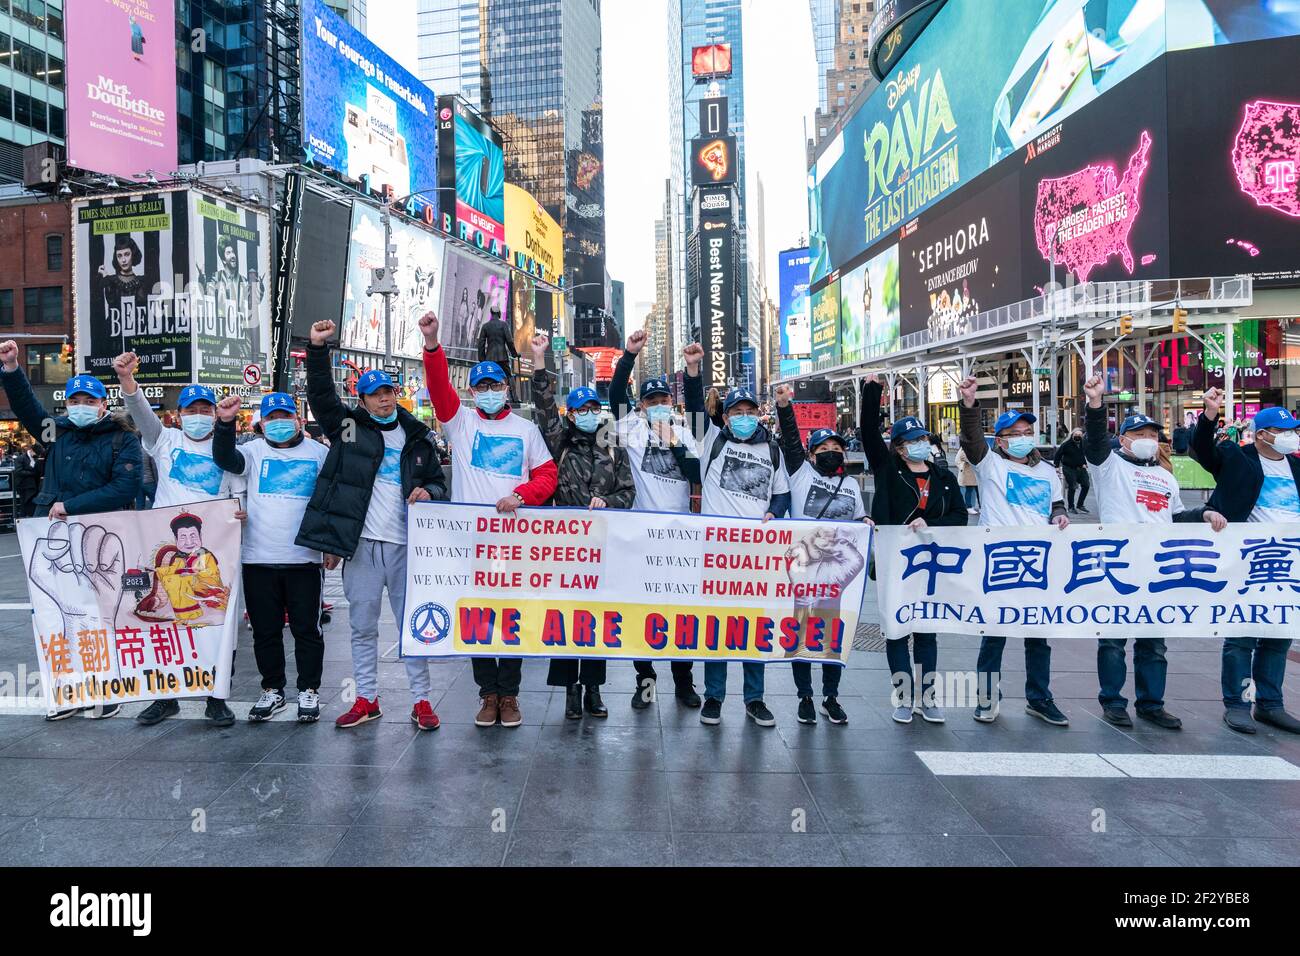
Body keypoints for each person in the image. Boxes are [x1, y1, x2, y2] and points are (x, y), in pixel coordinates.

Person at [296, 319, 449, 732]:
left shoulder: (418, 436)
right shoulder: (349, 428)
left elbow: (438, 482)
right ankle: (366, 698)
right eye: (374, 394)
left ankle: (421, 701)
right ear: (361, 400)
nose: (383, 399)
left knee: (413, 626)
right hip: (361, 545)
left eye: (388, 392)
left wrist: (431, 494)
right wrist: (316, 349)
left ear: (395, 395)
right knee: (362, 627)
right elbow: (322, 397)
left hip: (407, 548)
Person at [420, 311, 557, 729]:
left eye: (495, 385)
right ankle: (488, 694)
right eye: (481, 387)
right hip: (470, 544)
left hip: (514, 545)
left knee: (512, 617)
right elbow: (440, 390)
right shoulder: (459, 424)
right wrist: (431, 343)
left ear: (506, 388)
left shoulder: (526, 429)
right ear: (473, 392)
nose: (489, 392)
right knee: (479, 617)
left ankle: (511, 695)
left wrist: (520, 495)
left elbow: (547, 476)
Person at [0, 342, 142, 720]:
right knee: (56, 614)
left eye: (88, 399)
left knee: (100, 614)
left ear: (102, 405)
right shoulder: (55, 432)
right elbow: (27, 407)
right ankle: (69, 690)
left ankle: (106, 688)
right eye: (74, 399)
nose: (80, 405)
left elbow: (125, 488)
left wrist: (72, 506)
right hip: (57, 536)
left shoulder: (121, 436)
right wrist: (13, 368)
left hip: (101, 535)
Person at [1083, 374, 1203, 730]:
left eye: (1153, 435)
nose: (1149, 441)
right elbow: (1093, 442)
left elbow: (1177, 515)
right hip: (1118, 567)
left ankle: (1151, 703)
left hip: (1157, 568)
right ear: (1123, 440)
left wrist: (1205, 514)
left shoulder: (1166, 477)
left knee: (1153, 644)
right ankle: (1113, 701)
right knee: (1114, 641)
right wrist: (1094, 405)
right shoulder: (1108, 467)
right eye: (1140, 435)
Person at [684, 344, 791, 728]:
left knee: (754, 627)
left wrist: (774, 512)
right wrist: (693, 369)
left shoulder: (772, 449)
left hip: (757, 556)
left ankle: (755, 698)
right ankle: (714, 697)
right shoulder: (710, 440)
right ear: (725, 416)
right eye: (736, 412)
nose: (743, 418)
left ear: (757, 414)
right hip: (717, 552)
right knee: (717, 627)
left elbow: (781, 493)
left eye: (749, 412)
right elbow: (696, 408)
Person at [530, 334, 635, 719]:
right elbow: (542, 407)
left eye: (594, 407)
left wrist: (606, 502)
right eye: (582, 409)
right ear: (571, 414)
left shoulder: (614, 447)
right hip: (565, 550)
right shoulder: (559, 441)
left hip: (602, 548)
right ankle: (569, 692)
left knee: (595, 619)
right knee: (565, 618)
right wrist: (539, 361)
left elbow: (628, 493)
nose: (589, 413)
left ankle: (593, 689)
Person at [959, 377, 1071, 727]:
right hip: (1000, 561)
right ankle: (987, 698)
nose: (1022, 438)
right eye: (1014, 434)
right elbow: (972, 440)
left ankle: (1039, 698)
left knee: (1038, 637)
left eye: (1027, 432)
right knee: (994, 634)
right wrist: (969, 405)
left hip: (1038, 564)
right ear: (1001, 442)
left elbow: (1055, 505)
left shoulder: (1048, 471)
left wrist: (1059, 514)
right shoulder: (990, 464)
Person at [213, 392, 331, 724]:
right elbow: (225, 459)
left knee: (307, 629)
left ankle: (309, 690)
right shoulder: (251, 452)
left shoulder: (319, 453)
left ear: (297, 419)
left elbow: (331, 499)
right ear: (262, 423)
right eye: (272, 417)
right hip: (258, 558)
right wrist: (224, 423)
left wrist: (332, 545)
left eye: (285, 416)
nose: (279, 422)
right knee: (265, 630)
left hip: (304, 559)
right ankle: (273, 689)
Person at [1191, 390, 1300, 735]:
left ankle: (1271, 704)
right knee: (1242, 635)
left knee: (1279, 634)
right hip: (1248, 559)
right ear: (1263, 434)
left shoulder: (1296, 464)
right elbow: (1202, 450)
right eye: (1284, 432)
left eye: (1293, 430)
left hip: (1289, 561)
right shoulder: (1239, 457)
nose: (1290, 437)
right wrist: (1210, 414)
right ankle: (1237, 703)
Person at [861, 374, 968, 723]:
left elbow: (959, 516)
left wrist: (931, 526)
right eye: (911, 440)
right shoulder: (889, 471)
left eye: (923, 438)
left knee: (926, 632)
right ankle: (904, 697)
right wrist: (873, 391)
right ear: (899, 447)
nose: (919, 444)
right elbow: (868, 433)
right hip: (896, 564)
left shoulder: (944, 477)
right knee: (896, 630)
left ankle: (928, 696)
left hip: (931, 568)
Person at [608, 329, 703, 709]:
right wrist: (629, 355)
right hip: (641, 538)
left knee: (680, 613)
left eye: (664, 398)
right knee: (640, 612)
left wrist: (675, 442)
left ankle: (684, 681)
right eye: (652, 400)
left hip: (680, 538)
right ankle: (644, 680)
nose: (659, 403)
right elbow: (615, 397)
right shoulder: (631, 429)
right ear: (643, 405)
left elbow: (695, 471)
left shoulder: (684, 429)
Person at [773, 383, 870, 726]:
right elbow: (789, 439)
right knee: (800, 635)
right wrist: (785, 406)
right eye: (824, 448)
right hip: (804, 572)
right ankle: (805, 697)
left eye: (837, 447)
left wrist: (865, 522)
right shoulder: (800, 475)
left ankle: (831, 695)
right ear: (812, 455)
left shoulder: (852, 486)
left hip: (838, 578)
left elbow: (858, 521)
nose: (832, 452)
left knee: (833, 636)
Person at [114, 353, 246, 511]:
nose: (198, 415)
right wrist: (126, 377)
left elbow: (237, 493)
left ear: (214, 415)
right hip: (166, 530)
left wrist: (240, 513)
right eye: (191, 411)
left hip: (212, 531)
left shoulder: (227, 452)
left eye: (205, 411)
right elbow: (140, 410)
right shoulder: (164, 438)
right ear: (179, 415)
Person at [1055, 426, 1090, 514]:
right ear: (1072, 435)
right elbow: (1058, 455)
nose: (1078, 436)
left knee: (1086, 485)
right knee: (1073, 486)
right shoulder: (1066, 444)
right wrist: (1056, 466)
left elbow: (1082, 454)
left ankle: (1080, 504)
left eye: (1079, 435)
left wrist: (1085, 463)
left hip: (1081, 468)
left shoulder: (1083, 443)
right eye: (1076, 434)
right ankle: (1071, 507)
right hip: (1069, 468)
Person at [14, 443, 40, 518]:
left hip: (33, 486)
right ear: (31, 450)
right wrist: (32, 473)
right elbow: (18, 471)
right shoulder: (20, 458)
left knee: (31, 505)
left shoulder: (35, 458)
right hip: (24, 486)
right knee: (24, 505)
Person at [955, 446, 979, 514]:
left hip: (976, 472)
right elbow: (962, 457)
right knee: (969, 489)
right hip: (969, 472)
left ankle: (980, 506)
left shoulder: (977, 445)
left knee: (979, 491)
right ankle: (969, 507)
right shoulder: (964, 447)